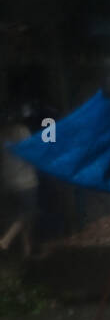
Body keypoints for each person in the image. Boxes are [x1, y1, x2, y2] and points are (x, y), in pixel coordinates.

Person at [1, 111, 39, 261]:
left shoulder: (1, 133)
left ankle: (27, 251)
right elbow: (32, 151)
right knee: (29, 212)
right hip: (26, 180)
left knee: (20, 216)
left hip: (7, 180)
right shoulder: (23, 130)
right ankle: (6, 240)